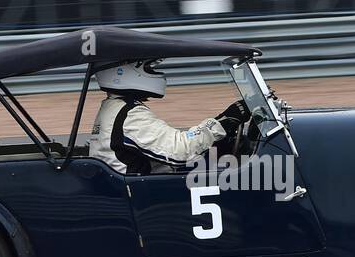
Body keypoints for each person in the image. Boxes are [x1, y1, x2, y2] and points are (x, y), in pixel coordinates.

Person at [89, 59, 243, 174]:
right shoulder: (129, 115)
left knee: (211, 159)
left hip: (134, 189)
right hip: (144, 199)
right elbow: (180, 150)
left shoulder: (115, 107)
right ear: (123, 71)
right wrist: (224, 121)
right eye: (147, 68)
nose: (154, 73)